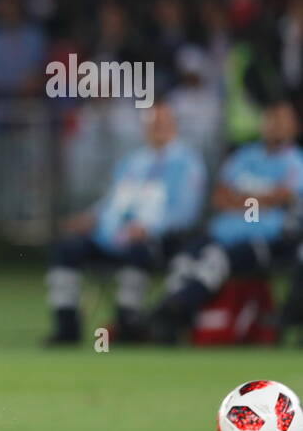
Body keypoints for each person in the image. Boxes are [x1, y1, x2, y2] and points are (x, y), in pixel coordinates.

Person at [45, 101, 205, 344]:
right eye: (152, 123)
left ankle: (127, 322)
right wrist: (91, 217)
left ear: (174, 126)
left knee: (137, 251)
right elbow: (112, 200)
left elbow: (185, 212)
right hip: (111, 236)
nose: (157, 128)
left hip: (156, 240)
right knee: (67, 248)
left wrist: (148, 228)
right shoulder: (133, 161)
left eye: (162, 123)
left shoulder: (187, 163)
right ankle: (66, 327)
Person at [151, 102, 303, 343]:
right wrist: (261, 198)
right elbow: (220, 197)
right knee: (184, 259)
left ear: (294, 127)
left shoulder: (296, 161)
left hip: (264, 240)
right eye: (270, 119)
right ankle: (168, 320)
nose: (275, 126)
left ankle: (176, 311)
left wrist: (241, 198)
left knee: (215, 259)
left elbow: (284, 196)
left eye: (281, 120)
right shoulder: (243, 156)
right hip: (222, 232)